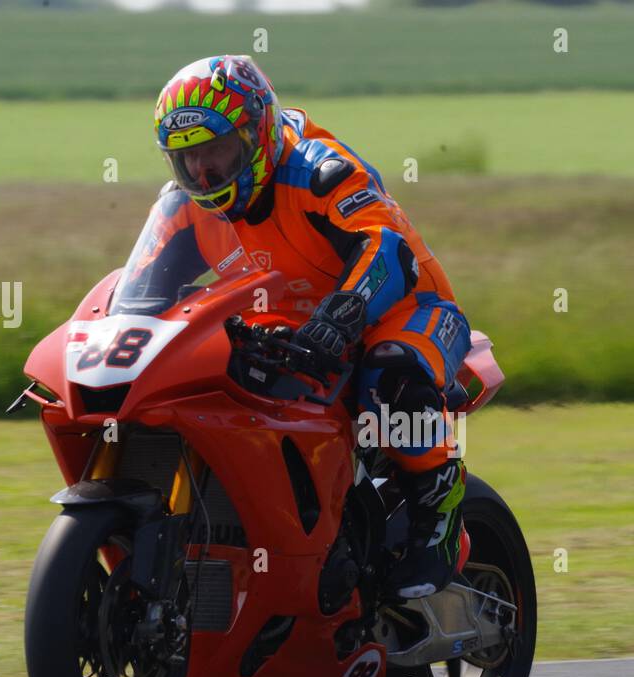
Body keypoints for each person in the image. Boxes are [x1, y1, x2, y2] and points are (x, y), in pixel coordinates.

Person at [152, 54, 471, 599]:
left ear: (258, 133)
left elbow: (387, 251)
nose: (204, 174)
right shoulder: (188, 207)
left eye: (217, 151)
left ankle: (437, 530)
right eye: (189, 160)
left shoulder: (320, 169)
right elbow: (146, 288)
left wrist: (339, 318)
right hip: (292, 329)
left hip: (409, 310)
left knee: (388, 372)